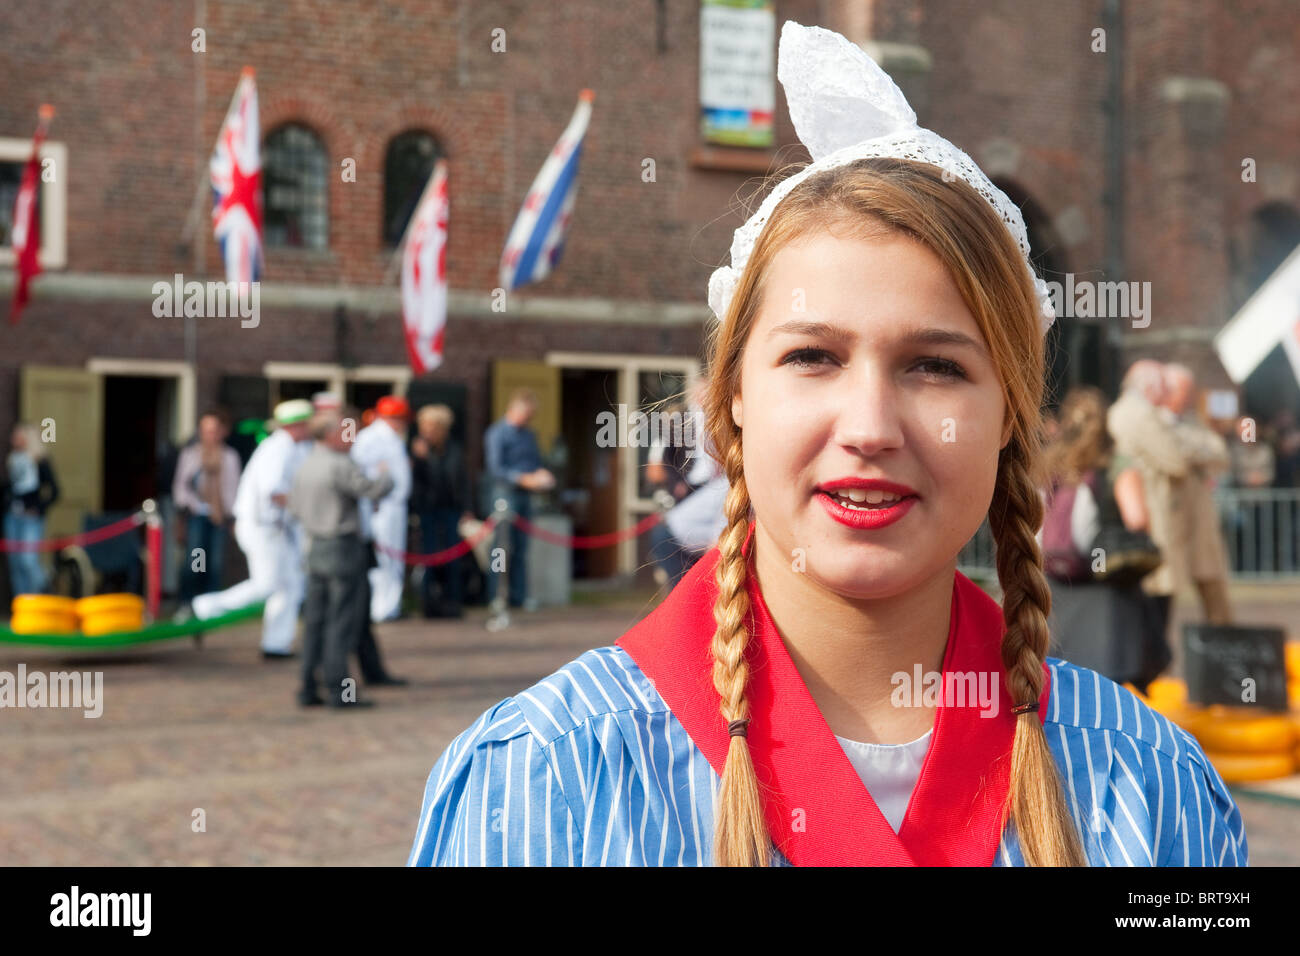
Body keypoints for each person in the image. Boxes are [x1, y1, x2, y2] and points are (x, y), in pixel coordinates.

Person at [408, 22, 1245, 866]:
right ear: (733, 396)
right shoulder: (540, 786)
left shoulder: (1148, 786)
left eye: (934, 366)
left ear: (1011, 415)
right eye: (813, 357)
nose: (871, 427)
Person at [1039, 387, 1168, 692]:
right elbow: (1137, 518)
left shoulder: (1049, 463)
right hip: (1106, 592)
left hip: (1056, 589)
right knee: (1106, 693)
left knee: (1061, 687)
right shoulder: (1115, 463)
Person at [185, 399, 314, 659]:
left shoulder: (291, 447)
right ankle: (205, 607)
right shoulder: (279, 448)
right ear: (298, 425)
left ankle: (276, 643)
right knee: (267, 585)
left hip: (274, 528)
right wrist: (308, 505)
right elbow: (274, 491)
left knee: (289, 585)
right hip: (261, 527)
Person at [289, 408, 394, 708]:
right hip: (342, 547)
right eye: (347, 431)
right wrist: (387, 475)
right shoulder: (340, 464)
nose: (352, 438)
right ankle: (340, 691)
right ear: (332, 434)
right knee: (340, 623)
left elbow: (294, 509)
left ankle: (308, 687)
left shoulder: (306, 464)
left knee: (315, 622)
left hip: (316, 547)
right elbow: (373, 490)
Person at [1159, 363, 1234, 624]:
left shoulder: (1194, 423)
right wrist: (1192, 450)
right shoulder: (1153, 422)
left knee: (1216, 598)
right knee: (1160, 603)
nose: (1188, 396)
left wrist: (1188, 448)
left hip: (1201, 526)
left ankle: (1226, 654)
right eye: (1183, 390)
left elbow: (1219, 453)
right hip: (1168, 527)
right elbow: (1171, 456)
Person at [482, 388, 554, 611]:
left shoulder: (529, 435)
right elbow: (495, 469)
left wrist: (541, 475)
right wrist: (523, 479)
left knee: (522, 549)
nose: (528, 419)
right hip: (505, 494)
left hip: (526, 496)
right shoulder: (497, 433)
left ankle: (519, 596)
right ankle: (496, 595)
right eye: (526, 414)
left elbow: (534, 461)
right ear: (514, 409)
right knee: (501, 548)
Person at [352, 396, 413, 622]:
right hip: (380, 505)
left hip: (396, 505)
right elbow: (358, 467)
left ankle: (391, 606)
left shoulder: (393, 438)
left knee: (395, 557)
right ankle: (378, 608)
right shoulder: (370, 437)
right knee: (382, 558)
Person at [410, 404, 473, 618]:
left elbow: (461, 481)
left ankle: (453, 601)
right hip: (428, 510)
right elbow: (427, 481)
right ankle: (429, 604)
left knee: (453, 557)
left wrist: (467, 508)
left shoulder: (454, 449)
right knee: (429, 556)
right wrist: (424, 459)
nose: (426, 432)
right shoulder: (418, 452)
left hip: (450, 510)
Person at [172, 410, 241, 602]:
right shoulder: (191, 454)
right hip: (196, 516)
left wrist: (232, 516)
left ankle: (210, 606)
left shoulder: (230, 456)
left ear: (221, 431)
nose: (209, 434)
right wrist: (190, 506)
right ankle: (190, 602)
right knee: (196, 562)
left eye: (213, 430)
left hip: (220, 518)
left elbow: (233, 487)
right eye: (205, 430)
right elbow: (180, 484)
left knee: (216, 564)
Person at [4, 423, 59, 596]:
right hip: (13, 516)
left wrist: (38, 508)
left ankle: (41, 591)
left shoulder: (39, 460)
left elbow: (55, 491)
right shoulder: (13, 459)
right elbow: (10, 488)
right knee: (16, 563)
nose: (15, 440)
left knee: (28, 561)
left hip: (31, 519)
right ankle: (23, 606)